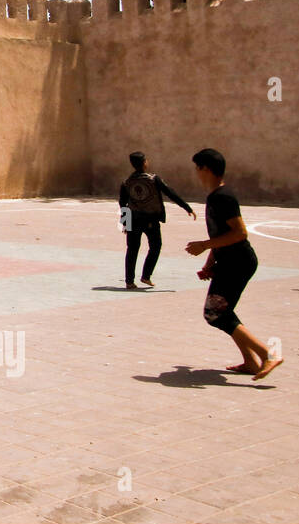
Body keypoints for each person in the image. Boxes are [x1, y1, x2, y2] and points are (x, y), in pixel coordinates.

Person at [184, 148, 281, 380]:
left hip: (238, 262)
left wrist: (204, 245)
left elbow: (240, 233)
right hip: (229, 261)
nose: (196, 173)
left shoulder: (223, 197)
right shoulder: (216, 196)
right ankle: (250, 362)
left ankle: (268, 354)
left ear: (205, 169)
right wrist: (210, 262)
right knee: (222, 313)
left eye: (197, 168)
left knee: (214, 313)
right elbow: (221, 232)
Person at [118, 151, 196, 288]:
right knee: (155, 246)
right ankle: (146, 276)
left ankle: (129, 281)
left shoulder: (126, 183)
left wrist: (125, 222)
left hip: (133, 220)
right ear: (144, 163)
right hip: (150, 219)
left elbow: (122, 203)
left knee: (132, 249)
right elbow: (170, 193)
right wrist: (187, 207)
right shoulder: (153, 179)